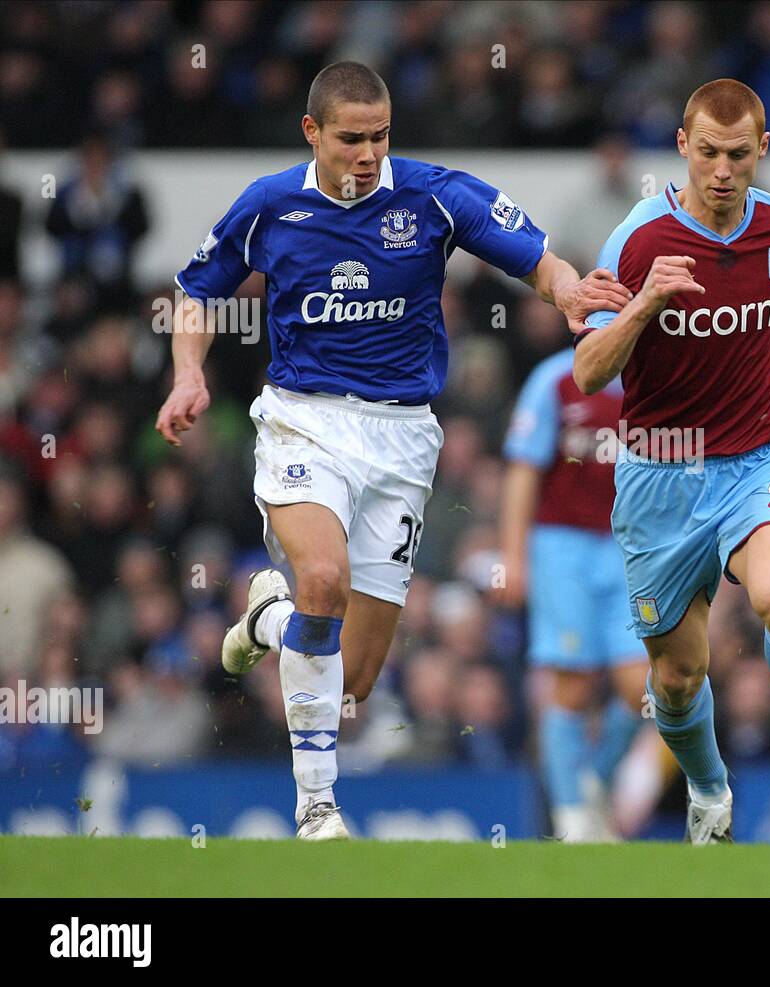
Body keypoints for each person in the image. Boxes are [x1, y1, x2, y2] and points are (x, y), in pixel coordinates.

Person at [155, 62, 630, 840]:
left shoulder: (434, 195)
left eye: (379, 136)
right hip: (305, 422)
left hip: (403, 438)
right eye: (351, 139)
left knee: (358, 676)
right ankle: (317, 807)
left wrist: (570, 292)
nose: (368, 153)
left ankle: (270, 618)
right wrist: (186, 374)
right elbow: (201, 290)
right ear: (313, 133)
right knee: (324, 576)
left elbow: (536, 257)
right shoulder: (271, 205)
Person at [572, 79, 770, 843]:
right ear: (682, 146)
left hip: (757, 456)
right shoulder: (638, 241)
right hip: (658, 476)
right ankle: (709, 790)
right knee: (678, 678)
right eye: (707, 152)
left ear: (762, 150)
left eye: (738, 155)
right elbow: (588, 373)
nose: (721, 170)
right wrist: (646, 302)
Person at [499, 348, 647, 841]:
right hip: (562, 548)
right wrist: (513, 558)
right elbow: (524, 469)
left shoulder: (658, 372)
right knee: (573, 683)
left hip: (631, 548)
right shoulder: (556, 379)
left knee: (645, 687)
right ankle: (571, 818)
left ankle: (593, 780)